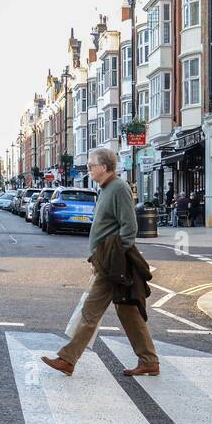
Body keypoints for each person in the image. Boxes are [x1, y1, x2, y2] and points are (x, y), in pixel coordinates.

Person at [41, 148, 159, 379]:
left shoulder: (119, 188)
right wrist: (98, 257)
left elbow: (129, 229)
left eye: (91, 165)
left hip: (113, 261)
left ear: (104, 167)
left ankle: (68, 359)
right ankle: (149, 361)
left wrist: (110, 257)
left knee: (90, 311)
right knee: (128, 311)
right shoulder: (105, 189)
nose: (89, 169)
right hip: (107, 259)